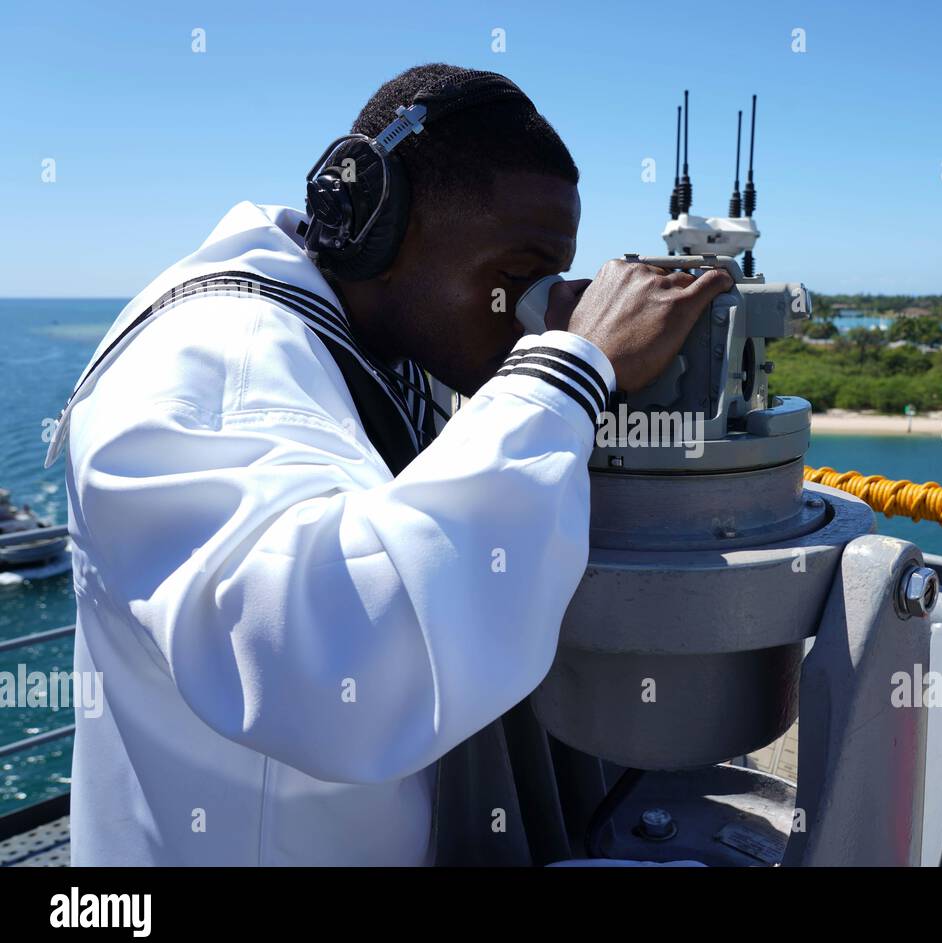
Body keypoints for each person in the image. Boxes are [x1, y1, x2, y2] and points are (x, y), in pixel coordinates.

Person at [47, 62, 731, 865]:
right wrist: (570, 371)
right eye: (516, 277)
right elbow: (340, 664)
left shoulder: (371, 336)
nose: (535, 312)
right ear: (377, 225)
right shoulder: (209, 372)